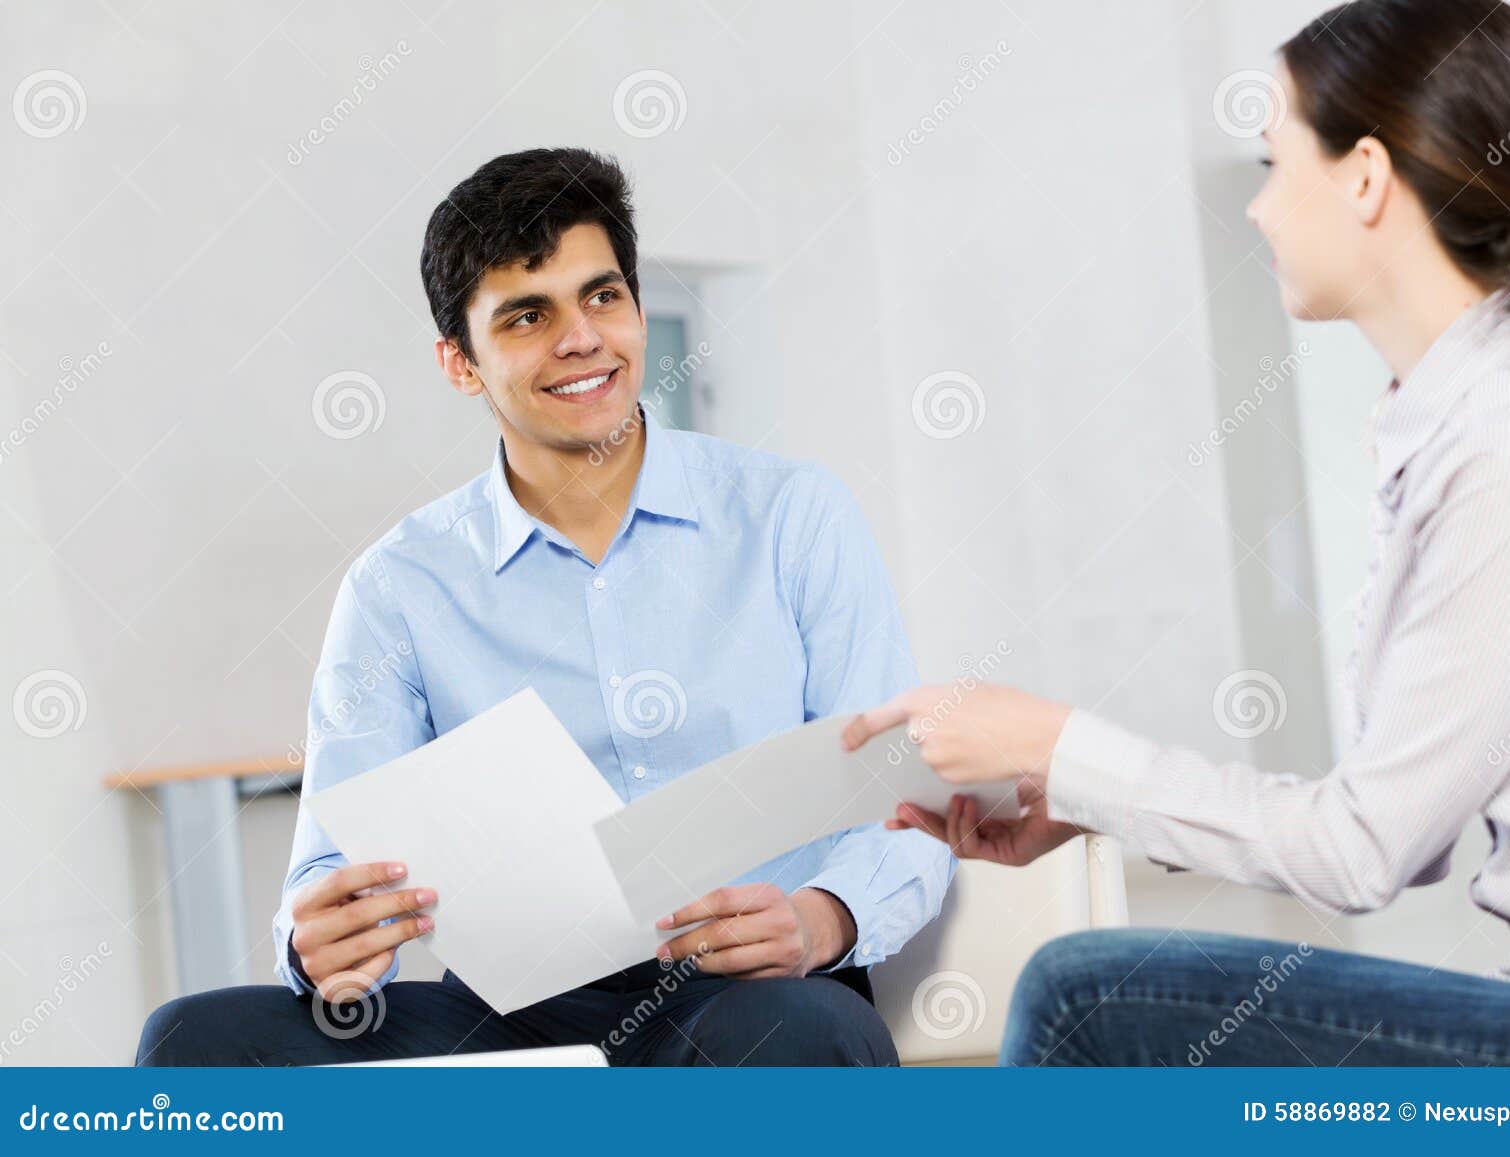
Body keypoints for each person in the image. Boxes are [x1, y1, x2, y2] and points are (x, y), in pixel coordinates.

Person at [844, 0, 1510, 1067]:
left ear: (1367, 178)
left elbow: (1363, 853)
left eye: (1271, 160)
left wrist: (1057, 742)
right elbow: (1406, 831)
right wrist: (1080, 793)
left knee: (1081, 998)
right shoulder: (1464, 417)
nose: (1258, 212)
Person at [136, 148, 954, 1067]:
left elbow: (905, 805)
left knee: (797, 1034)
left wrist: (822, 919)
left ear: (638, 310)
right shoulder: (399, 585)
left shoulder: (792, 517)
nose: (580, 338)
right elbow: (330, 863)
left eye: (602, 297)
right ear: (459, 362)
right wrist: (314, 937)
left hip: (759, 993)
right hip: (509, 1016)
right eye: (529, 316)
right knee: (194, 1041)